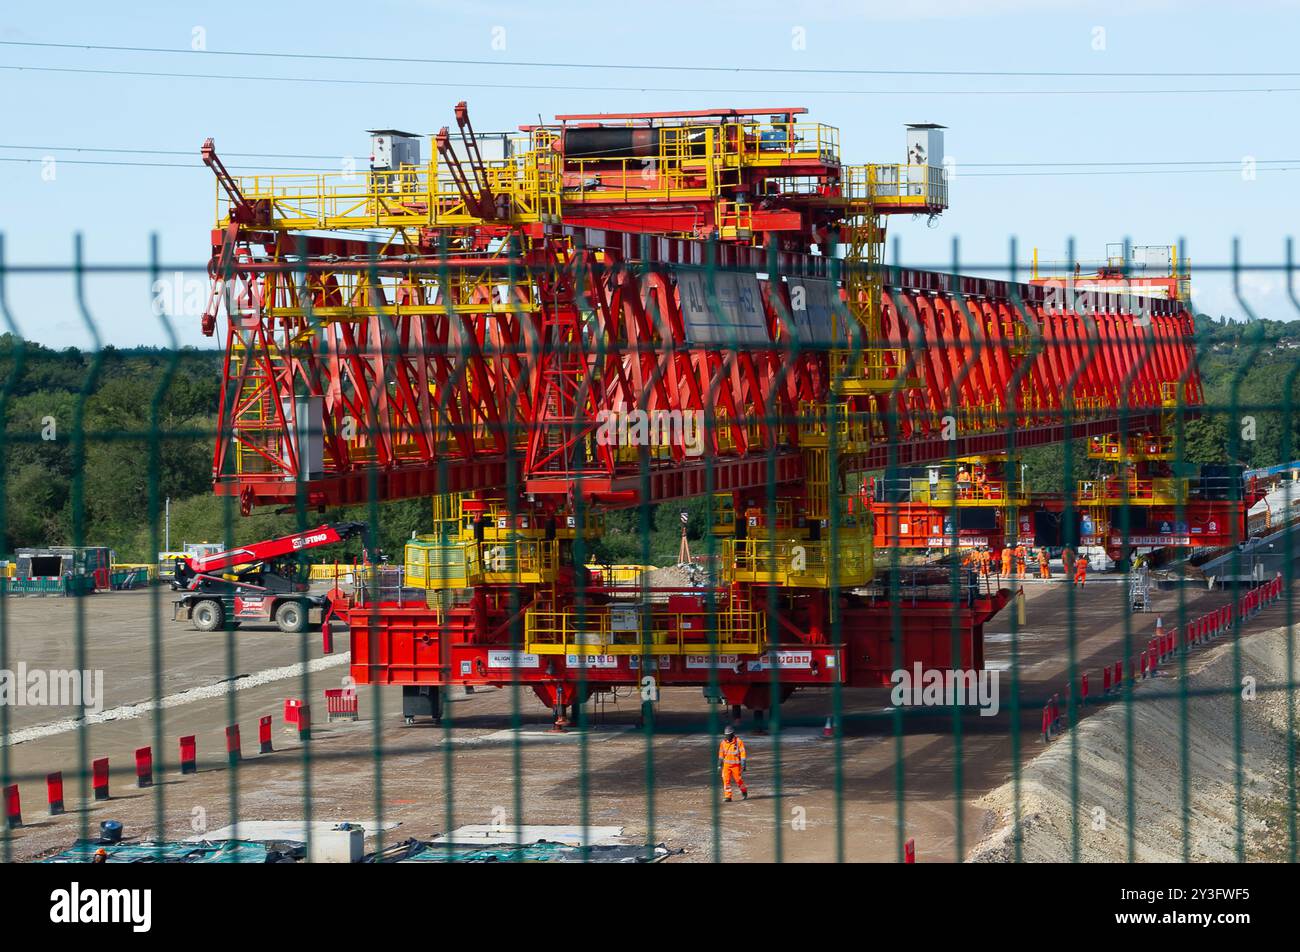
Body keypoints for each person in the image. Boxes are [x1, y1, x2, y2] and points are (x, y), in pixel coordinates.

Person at [718, 725, 748, 802]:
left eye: (728, 735)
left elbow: (742, 753)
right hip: (726, 765)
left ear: (732, 734)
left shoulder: (738, 742)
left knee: (738, 780)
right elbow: (721, 755)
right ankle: (728, 796)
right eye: (726, 735)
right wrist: (719, 765)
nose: (727, 737)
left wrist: (743, 763)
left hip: (736, 765)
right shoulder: (723, 743)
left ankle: (744, 791)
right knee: (726, 780)